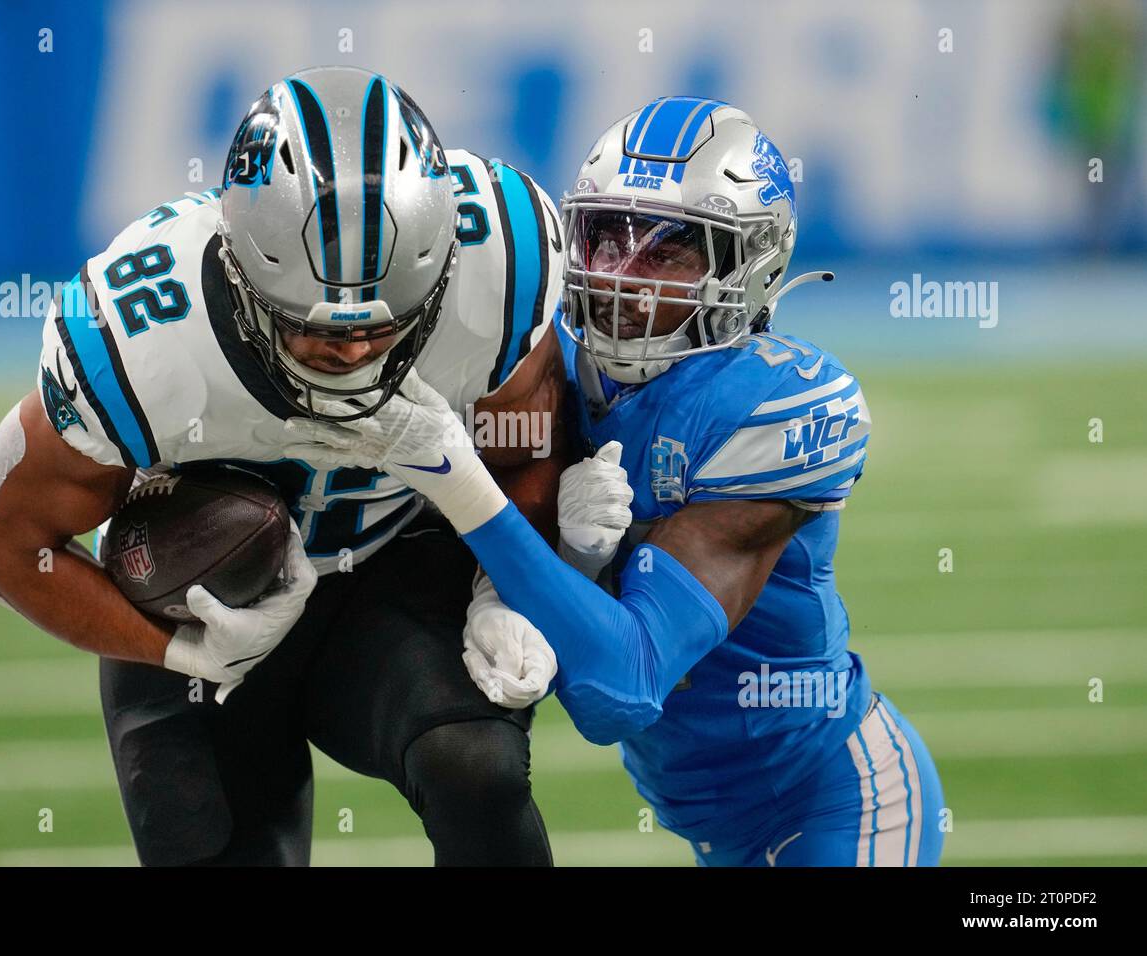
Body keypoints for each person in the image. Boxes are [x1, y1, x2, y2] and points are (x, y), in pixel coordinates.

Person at [282, 97, 945, 867]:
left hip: (831, 799)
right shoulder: (544, 356)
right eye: (605, 237)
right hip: (710, 820)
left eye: (667, 253)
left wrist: (459, 480)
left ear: (749, 266)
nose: (622, 277)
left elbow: (620, 689)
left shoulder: (770, 404)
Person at [0, 66, 568, 866]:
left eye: (383, 328)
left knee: (476, 768)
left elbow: (528, 452)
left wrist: (501, 594)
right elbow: (3, 548)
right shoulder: (142, 337)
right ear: (239, 271)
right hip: (202, 601)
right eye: (312, 331)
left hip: (395, 564)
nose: (351, 354)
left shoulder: (500, 260)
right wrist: (185, 653)